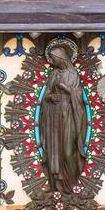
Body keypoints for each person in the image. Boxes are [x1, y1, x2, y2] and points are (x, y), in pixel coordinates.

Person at [39, 39, 88, 194]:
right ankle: (55, 183)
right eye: (51, 59)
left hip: (69, 114)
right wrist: (50, 97)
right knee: (54, 150)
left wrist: (65, 88)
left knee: (67, 151)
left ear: (61, 58)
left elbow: (78, 96)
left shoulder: (73, 74)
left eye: (54, 58)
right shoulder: (53, 74)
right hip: (53, 114)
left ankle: (71, 183)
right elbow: (46, 94)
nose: (52, 62)